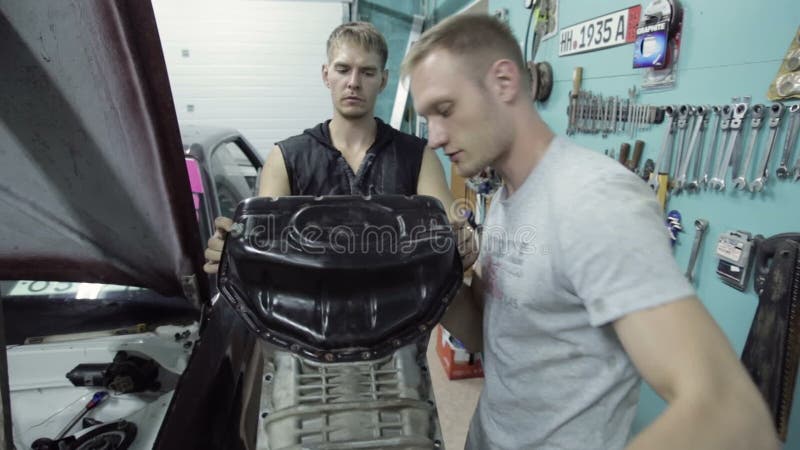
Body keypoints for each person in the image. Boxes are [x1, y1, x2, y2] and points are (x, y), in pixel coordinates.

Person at [402, 13, 779, 450]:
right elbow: (489, 335)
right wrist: (435, 277)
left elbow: (730, 412)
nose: (433, 137)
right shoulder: (508, 201)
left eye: (445, 110)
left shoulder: (595, 201)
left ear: (503, 82)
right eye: (427, 118)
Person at [204, 21, 475, 274]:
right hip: (306, 308)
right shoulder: (286, 158)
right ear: (326, 75)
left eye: (367, 72)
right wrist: (232, 249)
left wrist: (465, 241)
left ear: (383, 80)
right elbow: (261, 249)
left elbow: (452, 232)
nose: (353, 82)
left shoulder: (418, 157)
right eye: (343, 69)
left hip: (401, 307)